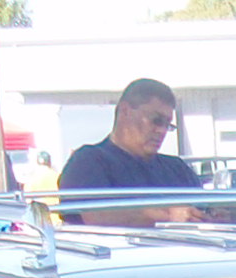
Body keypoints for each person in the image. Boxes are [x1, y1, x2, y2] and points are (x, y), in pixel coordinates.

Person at [58, 79, 199, 224]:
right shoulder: (89, 161)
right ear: (125, 111)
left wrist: (216, 215)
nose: (162, 131)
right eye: (156, 120)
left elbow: (205, 208)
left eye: (167, 125)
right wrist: (168, 215)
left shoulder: (177, 168)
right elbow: (96, 215)